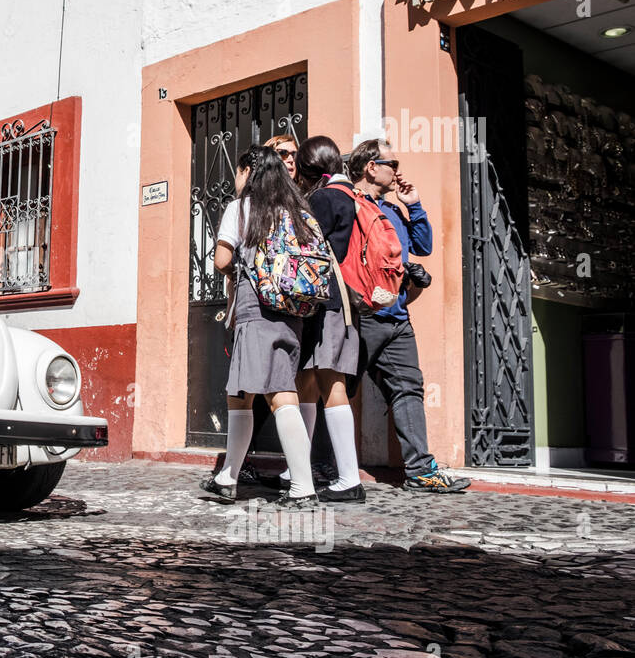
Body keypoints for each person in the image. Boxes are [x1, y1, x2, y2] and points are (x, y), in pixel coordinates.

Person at [345, 139, 470, 493]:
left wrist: (413, 206)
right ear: (371, 167)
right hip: (363, 317)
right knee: (335, 388)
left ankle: (419, 471)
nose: (397, 170)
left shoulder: (393, 210)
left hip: (397, 318)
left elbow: (424, 244)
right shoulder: (351, 206)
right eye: (392, 162)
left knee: (408, 388)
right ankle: (307, 466)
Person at [200, 146, 319, 508]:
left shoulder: (241, 209)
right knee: (240, 393)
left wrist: (237, 268)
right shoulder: (296, 211)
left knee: (278, 392)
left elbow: (222, 259)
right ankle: (228, 476)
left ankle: (302, 486)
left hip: (255, 306)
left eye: (237, 172)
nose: (235, 180)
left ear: (248, 171)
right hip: (291, 309)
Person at [291, 136, 365, 502]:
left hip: (325, 302)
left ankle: (349, 478)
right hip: (344, 303)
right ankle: (298, 464)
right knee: (308, 379)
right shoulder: (354, 196)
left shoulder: (323, 198)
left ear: (308, 170)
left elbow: (309, 250)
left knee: (329, 382)